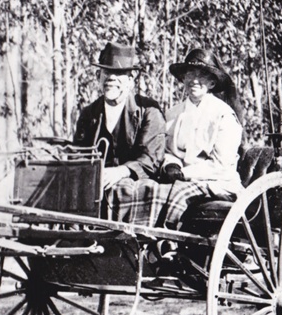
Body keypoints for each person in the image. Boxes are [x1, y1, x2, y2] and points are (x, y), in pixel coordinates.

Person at [156, 48, 244, 228]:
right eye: (190, 73)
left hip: (218, 183)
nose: (194, 80)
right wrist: (172, 165)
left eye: (202, 75)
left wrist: (185, 174)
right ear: (183, 78)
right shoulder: (173, 114)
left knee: (177, 193)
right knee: (151, 189)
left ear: (212, 83)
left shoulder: (224, 116)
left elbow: (220, 165)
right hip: (181, 181)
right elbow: (168, 151)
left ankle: (165, 242)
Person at [74, 41, 166, 191]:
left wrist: (121, 172)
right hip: (96, 187)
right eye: (106, 73)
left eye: (119, 74)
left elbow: (151, 159)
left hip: (135, 187)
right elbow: (78, 155)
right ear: (98, 77)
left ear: (130, 80)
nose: (111, 78)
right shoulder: (88, 114)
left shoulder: (149, 111)